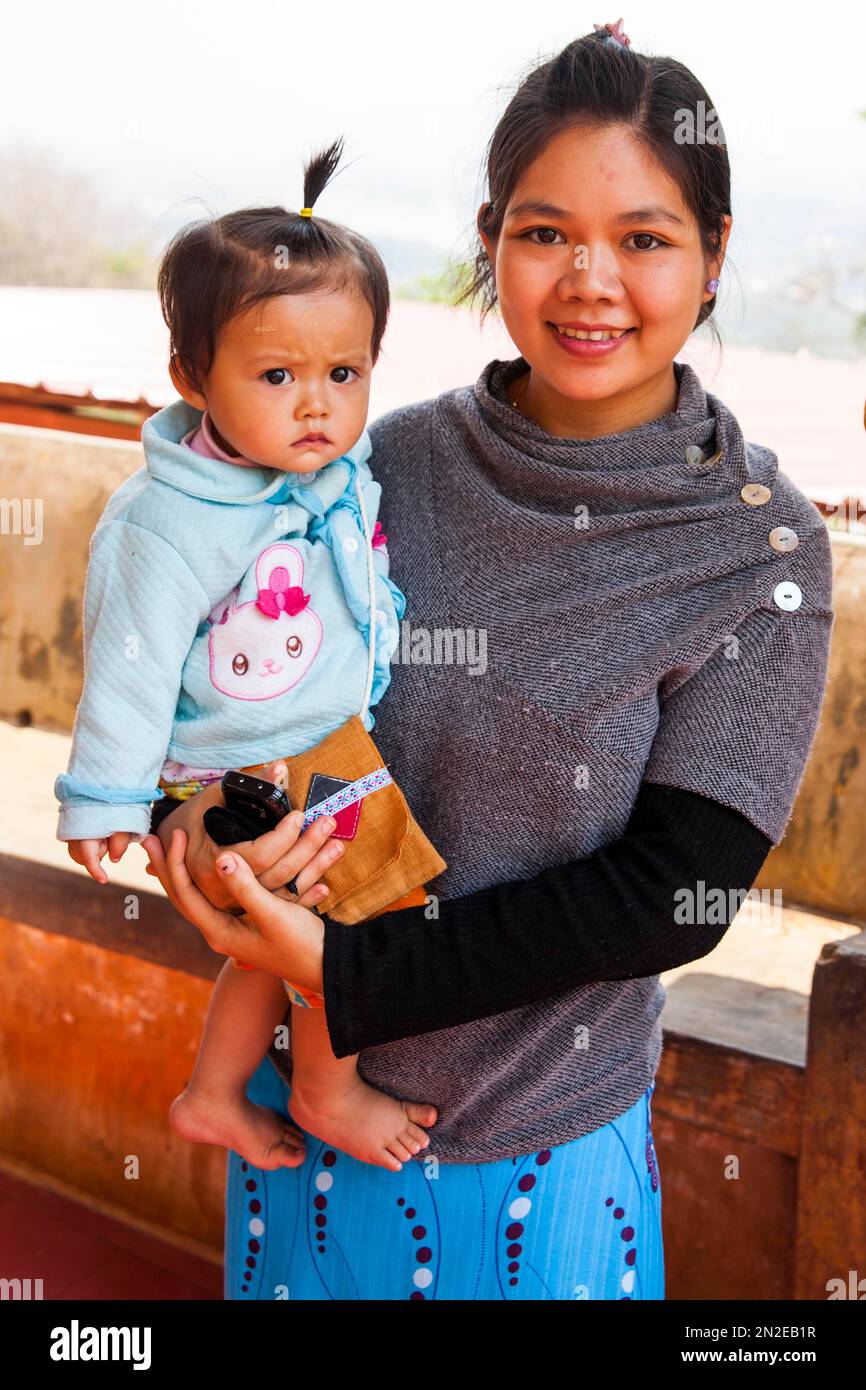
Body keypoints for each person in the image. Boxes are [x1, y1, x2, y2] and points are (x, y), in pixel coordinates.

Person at [143, 21, 834, 1300]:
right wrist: (190, 819)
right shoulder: (368, 463)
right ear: (488, 240)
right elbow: (224, 678)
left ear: (714, 255)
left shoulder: (758, 550)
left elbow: (668, 895)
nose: (589, 279)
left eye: (643, 237)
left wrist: (344, 970)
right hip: (297, 1126)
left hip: (543, 1150)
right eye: (543, 231)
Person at [54, 139, 447, 1175]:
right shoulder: (171, 520)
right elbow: (131, 665)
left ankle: (214, 1092)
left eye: (343, 372)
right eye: (276, 374)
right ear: (191, 374)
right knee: (357, 919)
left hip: (312, 742)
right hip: (258, 767)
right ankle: (323, 1087)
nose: (316, 403)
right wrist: (105, 799)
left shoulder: (326, 463)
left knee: (272, 951)